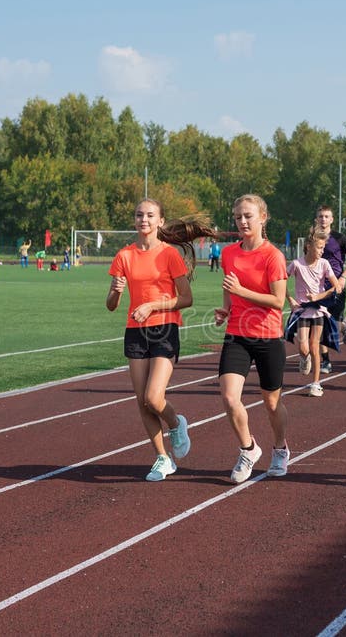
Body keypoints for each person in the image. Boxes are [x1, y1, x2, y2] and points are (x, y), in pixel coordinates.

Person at [106, 198, 218, 481]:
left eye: (149, 215)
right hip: (135, 330)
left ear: (160, 221)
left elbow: (187, 298)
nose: (143, 219)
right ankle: (162, 458)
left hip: (164, 328)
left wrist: (154, 306)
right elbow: (110, 304)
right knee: (141, 401)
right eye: (139, 214)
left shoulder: (169, 255)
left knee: (154, 397)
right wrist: (117, 292)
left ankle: (176, 422)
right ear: (134, 220)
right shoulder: (124, 256)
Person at [215, 194, 291, 483]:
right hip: (237, 333)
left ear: (263, 218)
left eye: (248, 216)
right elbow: (229, 289)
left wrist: (242, 292)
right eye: (238, 217)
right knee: (229, 397)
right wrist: (226, 309)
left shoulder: (273, 256)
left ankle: (281, 448)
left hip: (268, 336)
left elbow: (278, 301)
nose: (243, 221)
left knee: (271, 403)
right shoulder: (229, 254)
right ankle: (248, 449)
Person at [286, 227, 340, 397]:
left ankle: (316, 384)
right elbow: (279, 281)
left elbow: (336, 287)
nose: (321, 251)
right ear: (308, 246)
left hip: (318, 311)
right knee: (303, 347)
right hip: (302, 311)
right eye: (319, 247)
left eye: (323, 248)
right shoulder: (296, 264)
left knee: (314, 346)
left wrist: (318, 296)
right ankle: (304, 357)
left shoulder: (324, 264)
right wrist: (291, 300)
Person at [314, 205, 346, 373]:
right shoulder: (312, 238)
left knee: (332, 325)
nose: (323, 219)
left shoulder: (339, 238)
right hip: (317, 287)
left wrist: (343, 277)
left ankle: (344, 325)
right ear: (316, 219)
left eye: (327, 216)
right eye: (321, 216)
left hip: (336, 286)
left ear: (332, 219)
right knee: (319, 323)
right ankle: (325, 361)